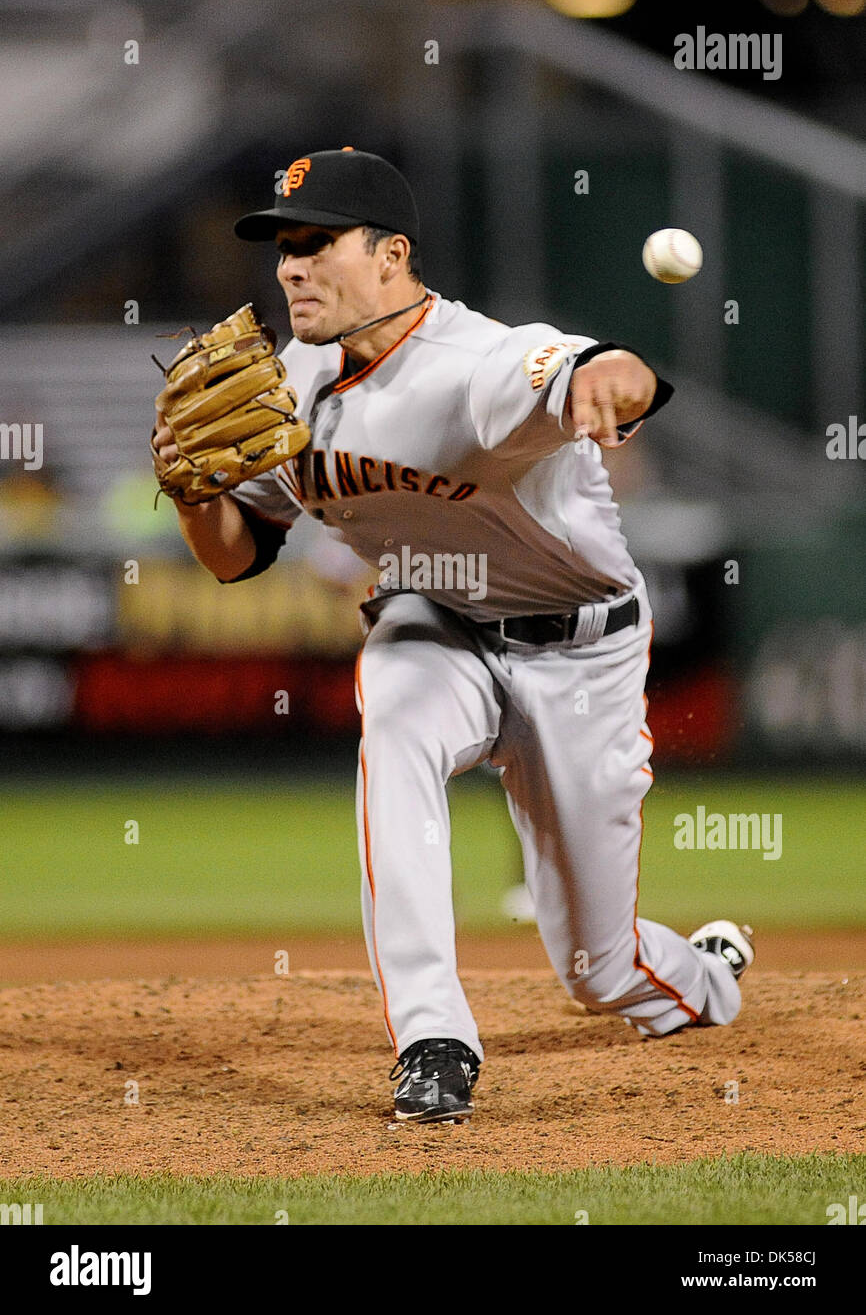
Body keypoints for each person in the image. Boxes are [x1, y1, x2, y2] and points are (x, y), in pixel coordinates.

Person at [153, 148, 753, 1123]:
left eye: (315, 242)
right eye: (279, 245)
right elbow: (235, 556)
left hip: (577, 652)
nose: (289, 266)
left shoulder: (474, 369)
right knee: (391, 725)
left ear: (392, 256)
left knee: (600, 969)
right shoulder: (288, 383)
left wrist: (616, 381)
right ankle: (433, 1041)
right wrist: (189, 491)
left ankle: (701, 970)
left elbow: (589, 364)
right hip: (431, 623)